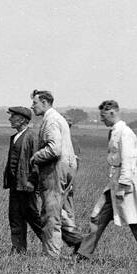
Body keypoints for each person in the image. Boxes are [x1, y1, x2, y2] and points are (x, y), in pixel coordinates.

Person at [76, 100, 137, 268]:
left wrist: (123, 187)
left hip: (126, 185)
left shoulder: (125, 133)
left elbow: (129, 162)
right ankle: (83, 256)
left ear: (112, 113)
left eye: (103, 116)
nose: (102, 120)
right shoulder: (115, 132)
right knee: (97, 217)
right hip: (114, 184)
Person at [27, 89, 80, 258]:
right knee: (57, 210)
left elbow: (54, 149)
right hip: (66, 167)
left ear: (44, 102)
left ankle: (51, 256)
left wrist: (36, 157)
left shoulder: (50, 121)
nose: (32, 106)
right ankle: (79, 240)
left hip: (55, 169)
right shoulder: (58, 119)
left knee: (50, 213)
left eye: (34, 103)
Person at [2, 105, 44, 253]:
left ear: (22, 120)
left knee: (34, 217)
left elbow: (37, 162)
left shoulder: (32, 136)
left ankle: (52, 247)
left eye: (13, 116)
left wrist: (33, 183)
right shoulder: (15, 137)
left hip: (27, 185)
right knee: (15, 216)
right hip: (15, 185)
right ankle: (18, 249)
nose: (10, 119)